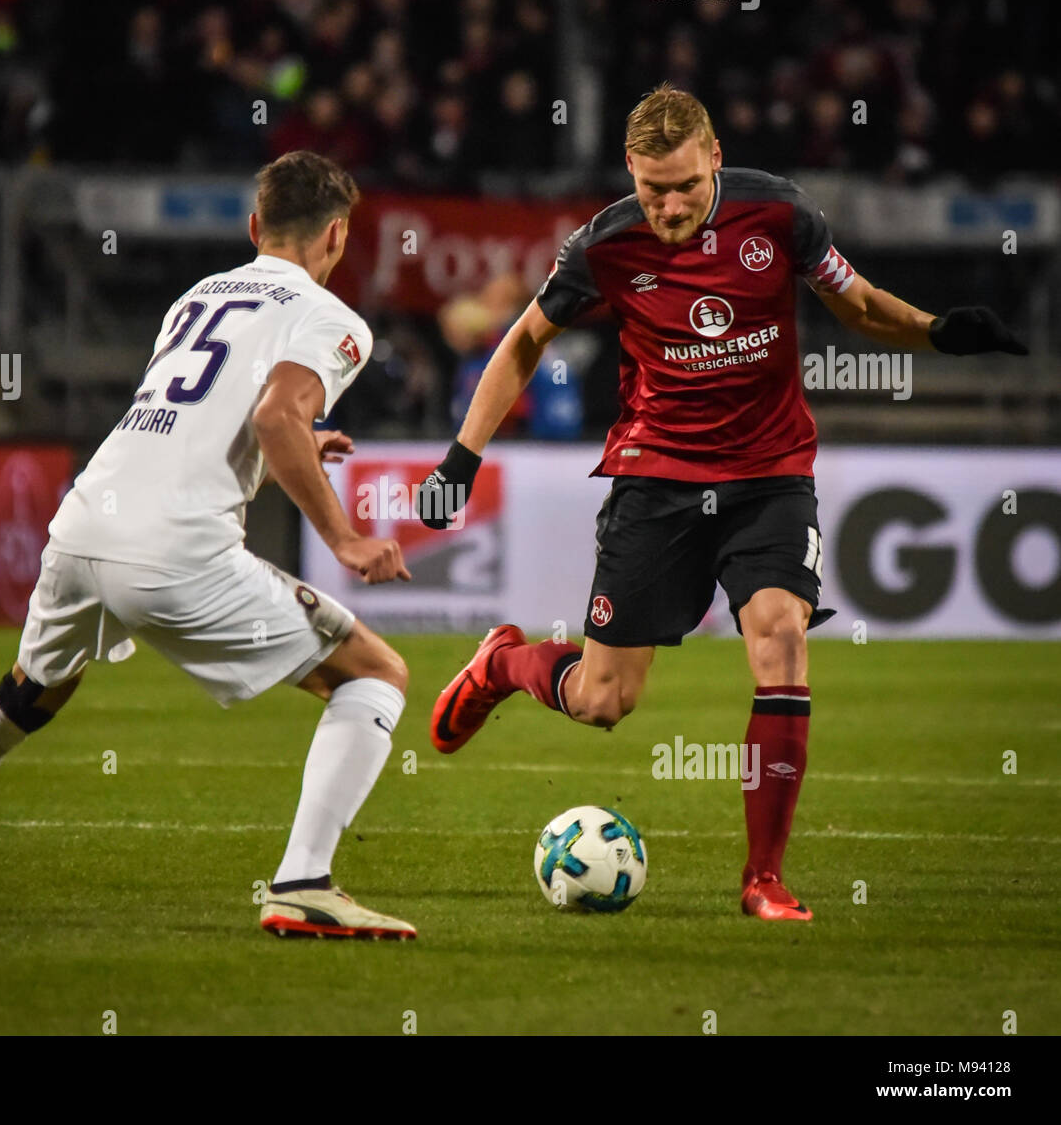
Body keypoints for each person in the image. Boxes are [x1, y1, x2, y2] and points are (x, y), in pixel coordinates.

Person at [416, 84, 1026, 922]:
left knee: (778, 638)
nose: (668, 205)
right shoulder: (605, 243)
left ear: (713, 157)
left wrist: (937, 331)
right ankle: (505, 663)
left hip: (769, 475)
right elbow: (522, 342)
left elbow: (857, 305)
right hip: (657, 477)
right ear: (631, 167)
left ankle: (763, 879)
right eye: (653, 187)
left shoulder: (780, 216)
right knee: (604, 700)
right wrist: (461, 457)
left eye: (686, 187)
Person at [0, 151, 417, 939]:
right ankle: (302, 883)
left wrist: (293, 454)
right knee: (376, 674)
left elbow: (202, 426)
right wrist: (344, 537)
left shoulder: (195, 298)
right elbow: (277, 417)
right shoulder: (332, 319)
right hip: (176, 551)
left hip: (83, 526)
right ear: (338, 237)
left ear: (254, 227)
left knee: (17, 702)